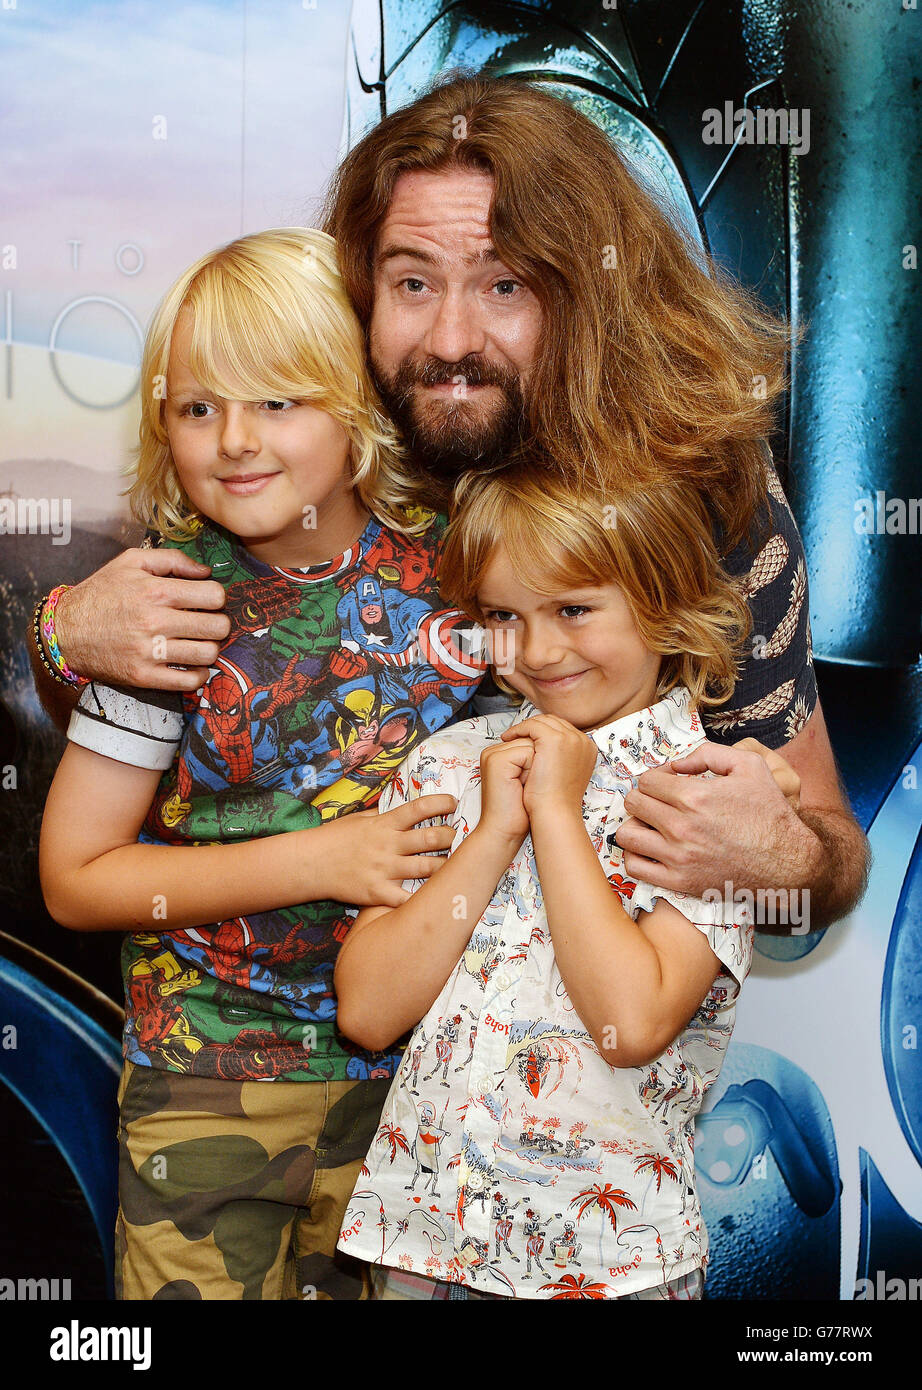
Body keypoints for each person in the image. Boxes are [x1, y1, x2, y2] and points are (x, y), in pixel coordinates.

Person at [28, 73, 867, 934]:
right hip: (314, 989)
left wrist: (781, 856)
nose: (452, 340)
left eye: (504, 286)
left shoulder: (696, 479)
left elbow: (822, 864)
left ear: (590, 292)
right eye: (413, 284)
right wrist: (64, 636)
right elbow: (144, 726)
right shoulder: (309, 440)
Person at [38, 227, 485, 1301]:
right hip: (206, 1080)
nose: (235, 440)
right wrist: (322, 860)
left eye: (278, 400)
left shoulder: (466, 569)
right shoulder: (167, 605)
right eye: (198, 408)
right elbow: (76, 877)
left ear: (359, 403)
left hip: (422, 1085)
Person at [333, 465, 800, 1300]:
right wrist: (494, 832)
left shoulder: (718, 799)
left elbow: (633, 1021)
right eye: (503, 616)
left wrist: (554, 814)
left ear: (666, 599)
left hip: (612, 1265)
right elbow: (368, 1012)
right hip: (423, 1248)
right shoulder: (447, 765)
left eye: (574, 609)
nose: (539, 651)